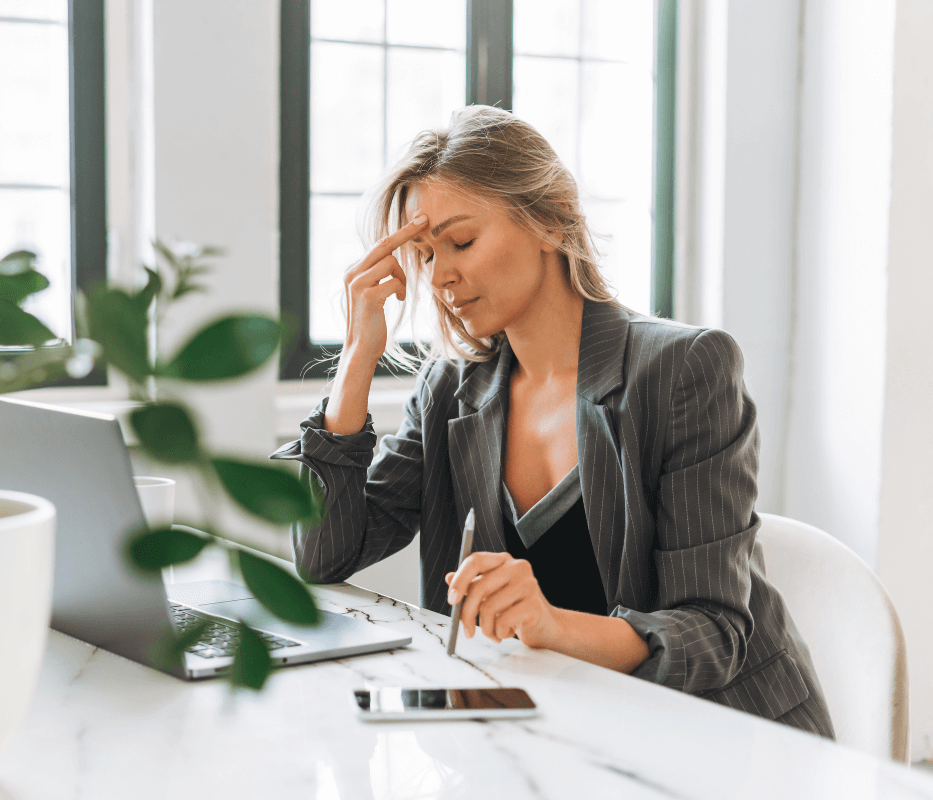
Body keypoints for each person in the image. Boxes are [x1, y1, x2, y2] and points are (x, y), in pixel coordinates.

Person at [271, 105, 835, 739]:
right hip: (563, 727)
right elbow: (325, 557)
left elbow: (712, 633)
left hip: (725, 736)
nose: (443, 275)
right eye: (425, 257)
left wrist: (551, 624)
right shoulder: (453, 388)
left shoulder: (683, 369)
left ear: (549, 219)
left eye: (462, 241)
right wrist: (356, 362)